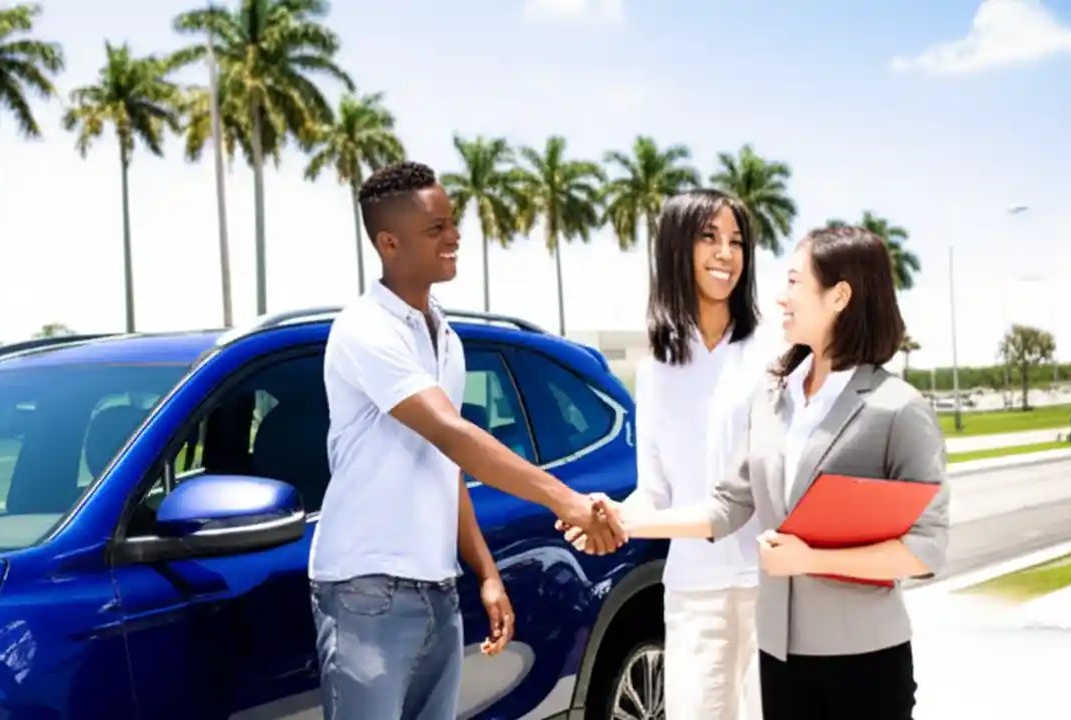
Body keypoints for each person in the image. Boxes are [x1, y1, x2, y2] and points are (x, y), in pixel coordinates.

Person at [572, 224, 950, 720]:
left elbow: (926, 550)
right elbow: (729, 505)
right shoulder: (773, 396)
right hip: (780, 658)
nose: (780, 298)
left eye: (794, 282)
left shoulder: (897, 409)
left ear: (839, 296)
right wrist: (623, 519)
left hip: (864, 660)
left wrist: (809, 560)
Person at [309, 160, 626, 720]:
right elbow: (452, 434)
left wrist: (485, 573)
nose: (455, 237)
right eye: (437, 229)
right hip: (367, 593)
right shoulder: (365, 328)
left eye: (452, 223)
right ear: (389, 243)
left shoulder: (444, 336)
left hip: (437, 587)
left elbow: (444, 463)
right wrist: (565, 499)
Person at [631, 189, 774, 719]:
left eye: (736, 241)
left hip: (772, 588)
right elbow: (653, 493)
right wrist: (603, 516)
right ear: (675, 249)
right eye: (709, 237)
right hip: (693, 593)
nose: (726, 254)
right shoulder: (655, 370)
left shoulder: (775, 354)